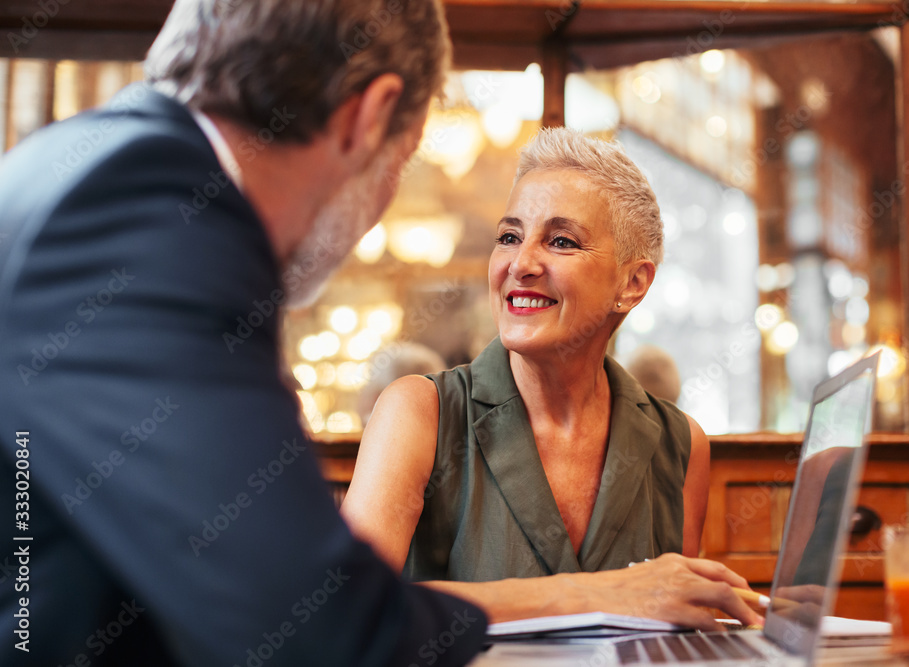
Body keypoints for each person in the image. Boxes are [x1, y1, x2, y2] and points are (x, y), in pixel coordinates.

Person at [0, 1, 488, 665]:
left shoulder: (91, 161)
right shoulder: (146, 209)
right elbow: (314, 630)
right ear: (370, 116)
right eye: (403, 163)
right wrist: (552, 606)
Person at [341, 127, 764, 628]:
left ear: (632, 283)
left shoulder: (681, 444)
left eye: (561, 241)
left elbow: (671, 633)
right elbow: (346, 610)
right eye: (509, 237)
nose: (521, 263)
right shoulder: (418, 412)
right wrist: (592, 594)